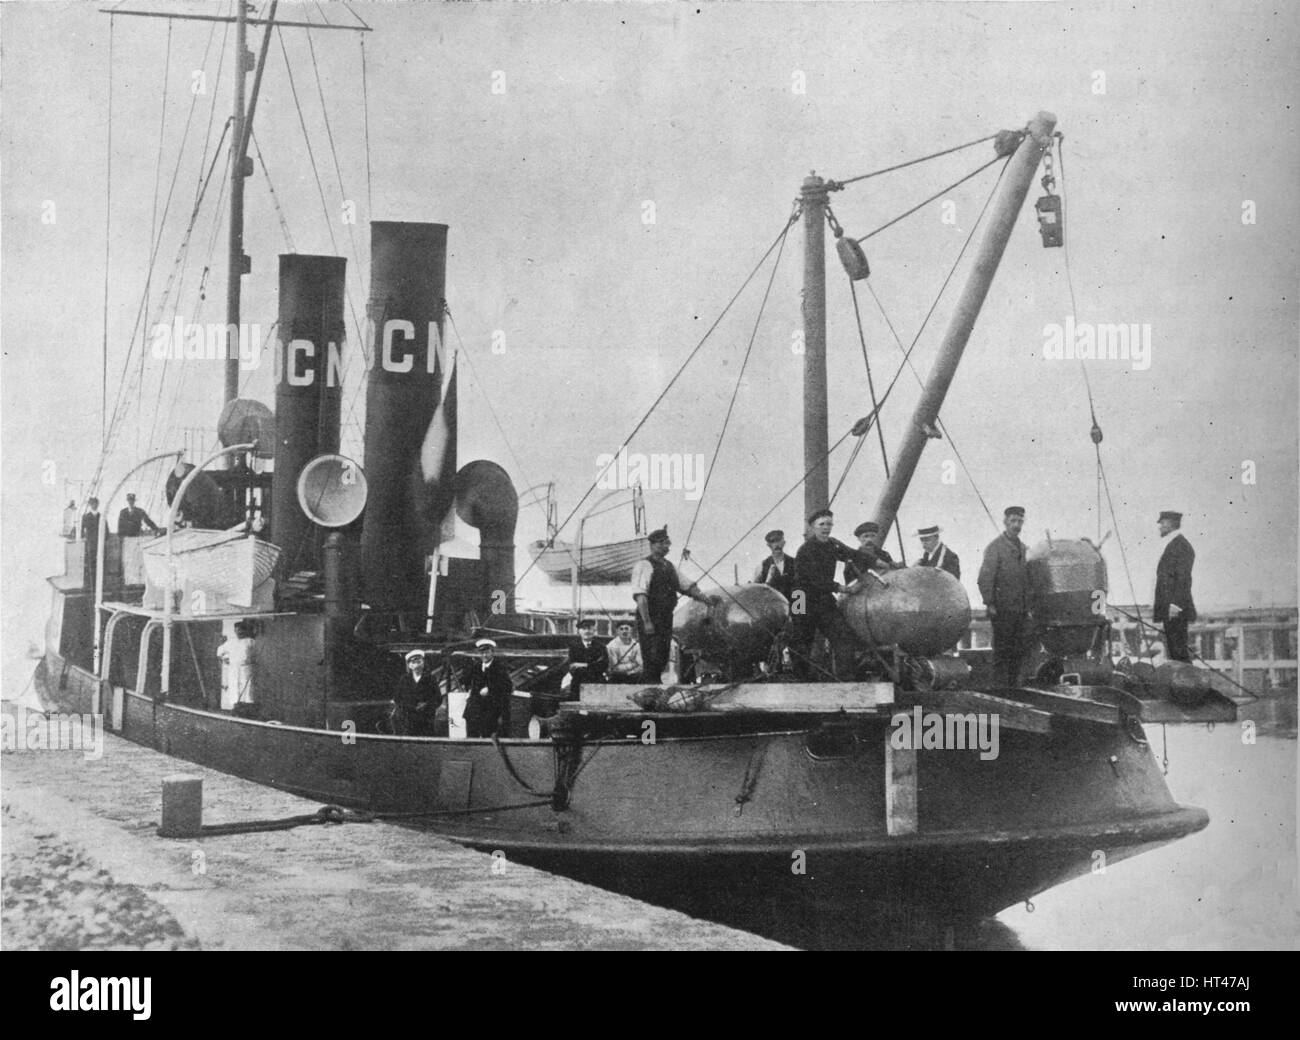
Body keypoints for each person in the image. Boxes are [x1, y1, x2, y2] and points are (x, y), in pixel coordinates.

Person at [788, 508, 877, 681]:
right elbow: (814, 579)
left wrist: (881, 562)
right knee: (801, 641)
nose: (826, 528)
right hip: (800, 598)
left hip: (822, 598)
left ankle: (846, 680)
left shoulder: (833, 545)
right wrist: (845, 589)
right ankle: (800, 680)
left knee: (843, 637)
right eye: (822, 524)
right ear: (813, 527)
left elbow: (854, 554)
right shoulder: (806, 550)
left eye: (829, 524)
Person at [631, 528, 718, 683]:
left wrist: (706, 599)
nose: (666, 547)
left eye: (667, 544)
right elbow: (641, 597)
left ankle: (654, 683)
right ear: (653, 545)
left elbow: (687, 587)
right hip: (650, 616)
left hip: (665, 616)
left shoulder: (669, 566)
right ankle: (650, 685)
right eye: (662, 543)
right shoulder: (644, 565)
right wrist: (647, 622)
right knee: (651, 654)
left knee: (663, 654)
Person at [978, 506, 1031, 687]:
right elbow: (985, 578)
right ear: (1005, 522)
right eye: (1013, 521)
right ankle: (1001, 689)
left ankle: (1015, 688)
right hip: (1003, 610)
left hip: (1021, 610)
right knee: (1002, 651)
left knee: (1018, 650)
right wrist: (990, 603)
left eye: (1020, 521)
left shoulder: (1024, 549)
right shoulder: (995, 548)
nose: (1017, 525)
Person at [1153, 510, 1196, 663]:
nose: (1159, 526)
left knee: (1178, 651)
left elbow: (1183, 579)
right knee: (1174, 650)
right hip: (1171, 609)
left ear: (1171, 524)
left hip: (1175, 610)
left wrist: (1175, 605)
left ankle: (1186, 682)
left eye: (1162, 523)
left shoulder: (1181, 546)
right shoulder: (1174, 545)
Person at [461, 638, 513, 738]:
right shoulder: (476, 666)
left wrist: (490, 688)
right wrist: (469, 690)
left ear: (492, 652)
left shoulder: (499, 668)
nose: (484, 655)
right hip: (475, 710)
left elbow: (508, 687)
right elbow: (465, 680)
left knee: (488, 738)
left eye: (487, 652)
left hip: (491, 710)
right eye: (482, 653)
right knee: (471, 737)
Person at [390, 649, 442, 735]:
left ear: (423, 663)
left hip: (426, 719)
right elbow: (397, 698)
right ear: (409, 665)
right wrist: (408, 707)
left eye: (419, 662)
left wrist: (426, 705)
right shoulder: (404, 680)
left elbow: (438, 699)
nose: (416, 665)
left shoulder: (430, 679)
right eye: (413, 662)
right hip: (408, 719)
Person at [217, 619, 259, 718]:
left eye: (240, 630)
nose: (239, 632)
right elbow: (219, 651)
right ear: (234, 631)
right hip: (233, 669)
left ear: (244, 631)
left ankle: (248, 711)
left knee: (247, 689)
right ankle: (236, 709)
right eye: (236, 630)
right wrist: (225, 659)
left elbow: (257, 654)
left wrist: (253, 662)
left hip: (246, 669)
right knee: (234, 689)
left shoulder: (250, 641)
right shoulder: (230, 642)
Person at [563, 618, 607, 699]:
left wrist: (584, 665)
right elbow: (573, 667)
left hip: (597, 682)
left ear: (594, 630)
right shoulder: (574, 647)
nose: (587, 631)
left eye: (590, 628)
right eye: (584, 629)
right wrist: (593, 665)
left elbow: (603, 665)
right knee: (578, 708)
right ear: (579, 631)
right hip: (579, 682)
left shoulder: (601, 647)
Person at [751, 529, 795, 601]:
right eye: (773, 541)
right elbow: (755, 590)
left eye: (778, 540)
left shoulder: (795, 563)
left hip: (793, 607)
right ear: (768, 545)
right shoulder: (762, 566)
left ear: (783, 542)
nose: (776, 544)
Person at [81, 498, 101, 589]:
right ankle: (90, 584)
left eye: (96, 504)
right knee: (90, 564)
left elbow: (107, 532)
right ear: (90, 505)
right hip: (90, 545)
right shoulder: (86, 517)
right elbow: (81, 531)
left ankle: (99, 584)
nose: (94, 505)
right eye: (92, 504)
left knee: (100, 564)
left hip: (100, 545)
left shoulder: (101, 516)